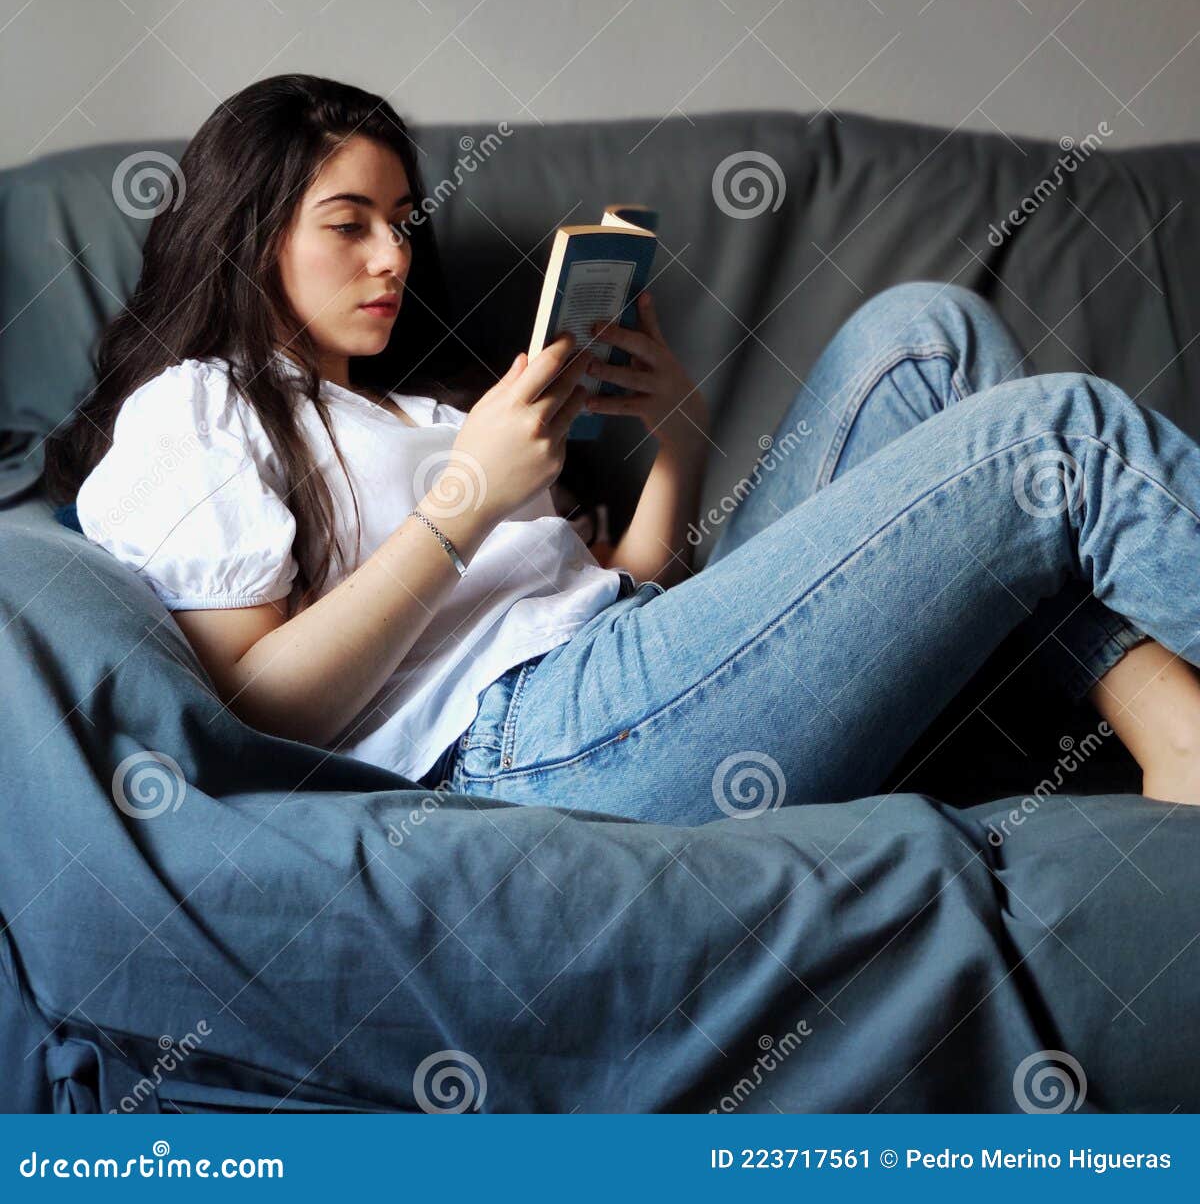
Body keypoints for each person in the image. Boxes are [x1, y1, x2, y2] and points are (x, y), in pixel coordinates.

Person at [47, 74, 1200, 828]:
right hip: (527, 751)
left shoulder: (433, 408)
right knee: (1054, 432)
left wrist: (676, 441)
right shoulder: (202, 406)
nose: (391, 258)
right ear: (250, 239)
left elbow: (631, 595)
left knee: (925, 335)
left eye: (402, 224)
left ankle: (1170, 726)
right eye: (348, 224)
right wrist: (459, 508)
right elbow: (254, 711)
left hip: (625, 666)